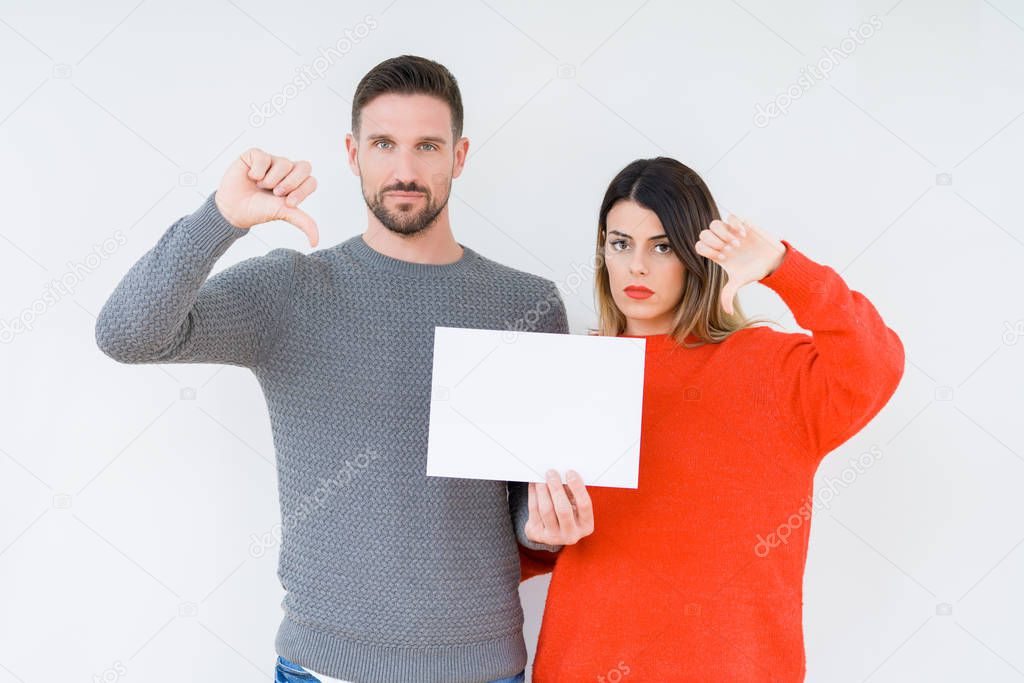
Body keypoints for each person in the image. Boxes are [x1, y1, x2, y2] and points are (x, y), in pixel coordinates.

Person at [95, 54, 591, 683]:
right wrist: (218, 220)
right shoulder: (291, 289)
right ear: (353, 155)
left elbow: (524, 504)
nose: (404, 170)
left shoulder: (527, 304)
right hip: (323, 668)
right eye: (384, 144)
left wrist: (547, 528)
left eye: (427, 146)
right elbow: (126, 335)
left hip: (482, 667)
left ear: (459, 157)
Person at [518, 157, 905, 682]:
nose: (637, 267)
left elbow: (875, 363)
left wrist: (782, 267)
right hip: (585, 663)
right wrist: (537, 536)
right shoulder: (569, 374)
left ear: (699, 255)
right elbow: (514, 546)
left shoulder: (773, 369)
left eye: (663, 246)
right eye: (620, 243)